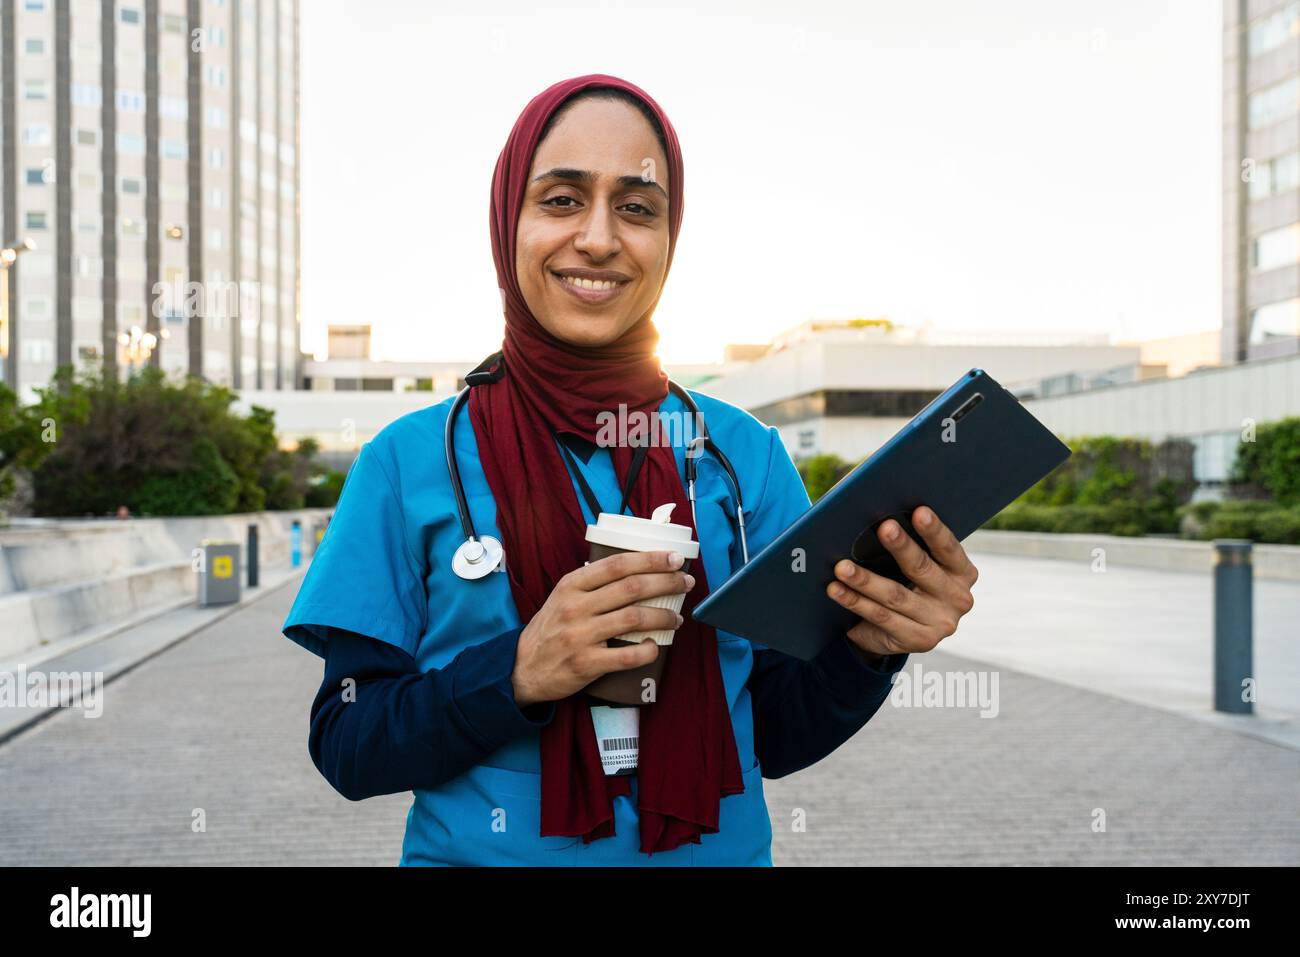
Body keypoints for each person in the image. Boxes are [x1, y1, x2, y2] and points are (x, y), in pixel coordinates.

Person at [281, 74, 980, 866]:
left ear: (670, 238)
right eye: (561, 199)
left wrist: (872, 648)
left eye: (638, 207)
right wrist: (517, 672)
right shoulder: (408, 462)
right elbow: (347, 741)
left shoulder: (741, 457)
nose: (600, 238)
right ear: (506, 222)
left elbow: (779, 733)